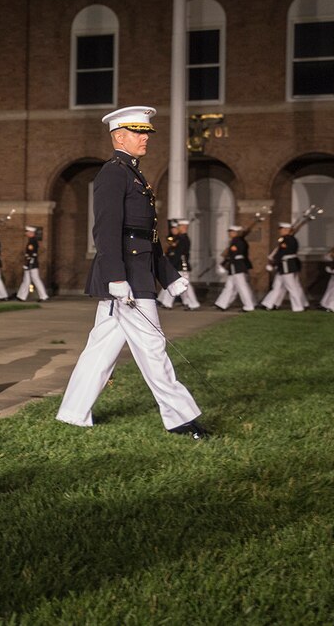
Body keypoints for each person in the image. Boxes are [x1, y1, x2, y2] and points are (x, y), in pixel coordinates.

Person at [56, 106, 207, 439]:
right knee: (152, 347)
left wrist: (168, 275)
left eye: (146, 132)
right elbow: (106, 229)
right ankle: (181, 417)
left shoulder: (134, 173)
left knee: (101, 348)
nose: (145, 138)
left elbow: (146, 234)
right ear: (118, 136)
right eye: (138, 132)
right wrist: (116, 277)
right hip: (126, 275)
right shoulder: (114, 172)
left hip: (135, 270)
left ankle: (72, 412)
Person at [260, 221, 307, 311]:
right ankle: (269, 303)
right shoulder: (288, 239)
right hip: (285, 266)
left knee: (291, 287)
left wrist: (273, 264)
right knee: (277, 286)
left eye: (281, 229)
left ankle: (298, 306)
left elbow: (281, 253)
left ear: (286, 230)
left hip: (287, 266)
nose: (280, 231)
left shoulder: (287, 240)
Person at [157, 219, 200, 310]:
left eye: (179, 226)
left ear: (184, 227)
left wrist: (171, 264)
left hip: (181, 265)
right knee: (178, 284)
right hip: (178, 265)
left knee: (183, 285)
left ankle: (192, 304)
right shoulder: (179, 238)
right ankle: (187, 303)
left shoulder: (183, 239)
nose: (178, 228)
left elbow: (179, 254)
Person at [213, 225, 256, 311]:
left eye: (232, 232)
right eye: (230, 232)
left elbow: (232, 256)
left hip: (238, 267)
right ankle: (222, 303)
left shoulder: (237, 241)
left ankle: (249, 306)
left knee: (242, 287)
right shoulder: (237, 241)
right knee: (229, 286)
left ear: (236, 233)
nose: (230, 233)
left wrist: (224, 265)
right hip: (234, 267)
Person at [16, 226, 49, 301]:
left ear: (31, 233)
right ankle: (21, 296)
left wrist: (29, 263)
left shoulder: (33, 241)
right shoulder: (31, 241)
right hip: (29, 263)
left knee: (35, 279)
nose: (26, 233)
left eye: (27, 232)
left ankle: (43, 296)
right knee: (26, 280)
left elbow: (33, 254)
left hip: (32, 263)